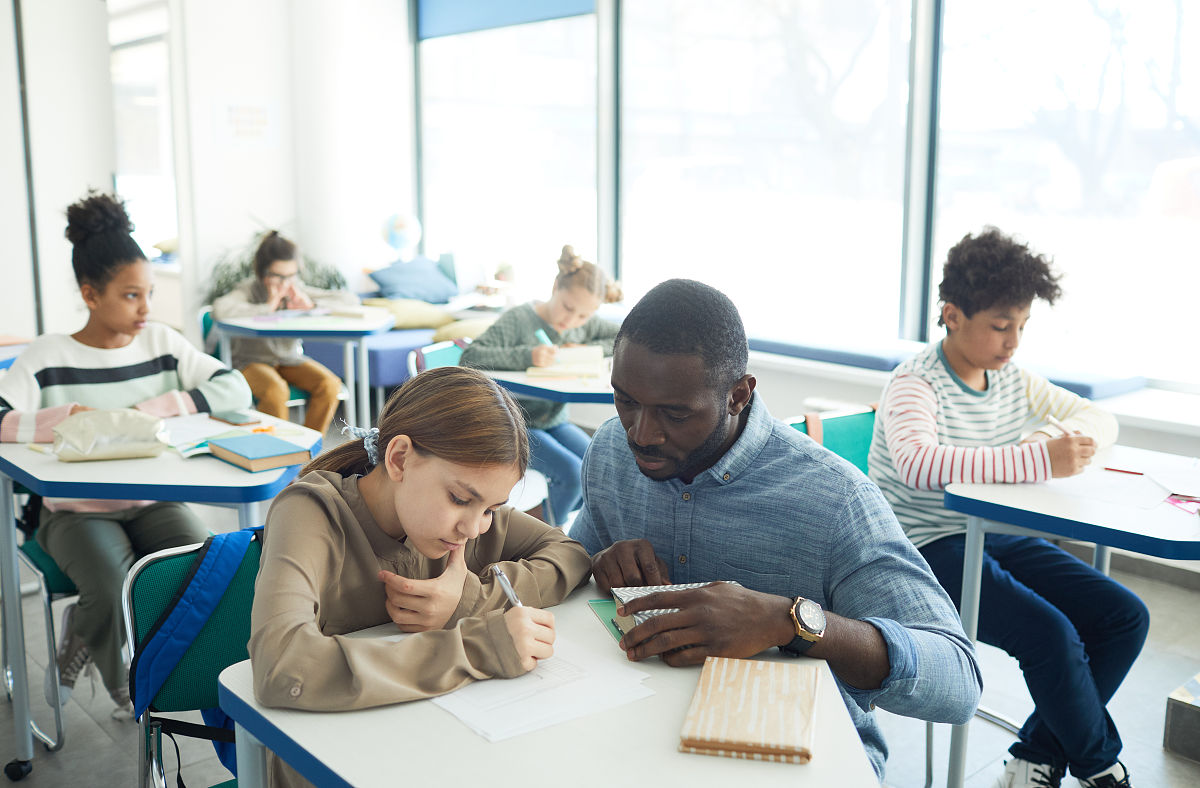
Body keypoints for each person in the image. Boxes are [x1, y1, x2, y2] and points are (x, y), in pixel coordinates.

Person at [569, 278, 981, 781]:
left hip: (802, 759)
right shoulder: (611, 449)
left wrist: (790, 622)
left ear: (739, 394)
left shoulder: (835, 499)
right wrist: (593, 562)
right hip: (637, 736)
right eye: (626, 401)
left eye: (676, 414)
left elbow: (959, 681)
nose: (642, 434)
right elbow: (567, 565)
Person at [868, 228, 1148, 788]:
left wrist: (1058, 436)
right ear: (951, 314)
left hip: (985, 532)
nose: (1013, 340)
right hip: (922, 550)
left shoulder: (1009, 379)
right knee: (1049, 633)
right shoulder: (915, 384)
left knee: (1124, 616)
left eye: (1021, 325)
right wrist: (1036, 458)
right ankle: (1102, 769)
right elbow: (920, 464)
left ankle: (1035, 757)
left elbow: (1099, 419)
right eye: (1000, 326)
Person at [249, 366, 592, 788]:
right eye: (460, 499)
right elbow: (284, 668)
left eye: (490, 508)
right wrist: (479, 647)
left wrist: (468, 599)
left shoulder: (466, 520)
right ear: (399, 459)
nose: (473, 528)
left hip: (440, 753)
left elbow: (571, 554)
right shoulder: (310, 513)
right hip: (335, 767)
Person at [0, 191, 252, 718]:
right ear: (91, 295)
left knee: (204, 566)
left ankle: (135, 651)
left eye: (150, 293)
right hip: (72, 513)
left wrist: (160, 405)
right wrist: (58, 420)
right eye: (131, 295)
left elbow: (234, 389)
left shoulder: (160, 342)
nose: (146, 308)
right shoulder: (50, 356)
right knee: (113, 587)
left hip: (154, 500)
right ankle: (128, 679)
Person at [460, 245, 622, 522]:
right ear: (555, 286)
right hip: (515, 422)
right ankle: (545, 540)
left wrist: (584, 346)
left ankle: (543, 519)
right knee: (572, 475)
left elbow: (622, 335)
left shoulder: (580, 326)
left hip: (553, 419)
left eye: (583, 316)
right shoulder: (519, 319)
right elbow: (470, 357)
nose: (570, 321)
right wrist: (527, 356)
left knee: (601, 468)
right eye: (567, 308)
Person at [211, 230, 358, 434]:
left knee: (330, 385)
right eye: (278, 277)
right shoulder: (249, 290)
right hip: (250, 362)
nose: (285, 284)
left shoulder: (296, 289)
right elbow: (220, 309)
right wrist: (267, 307)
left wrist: (310, 305)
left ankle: (307, 448)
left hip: (289, 360)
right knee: (275, 390)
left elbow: (349, 300)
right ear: (263, 273)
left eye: (291, 276)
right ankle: (280, 451)